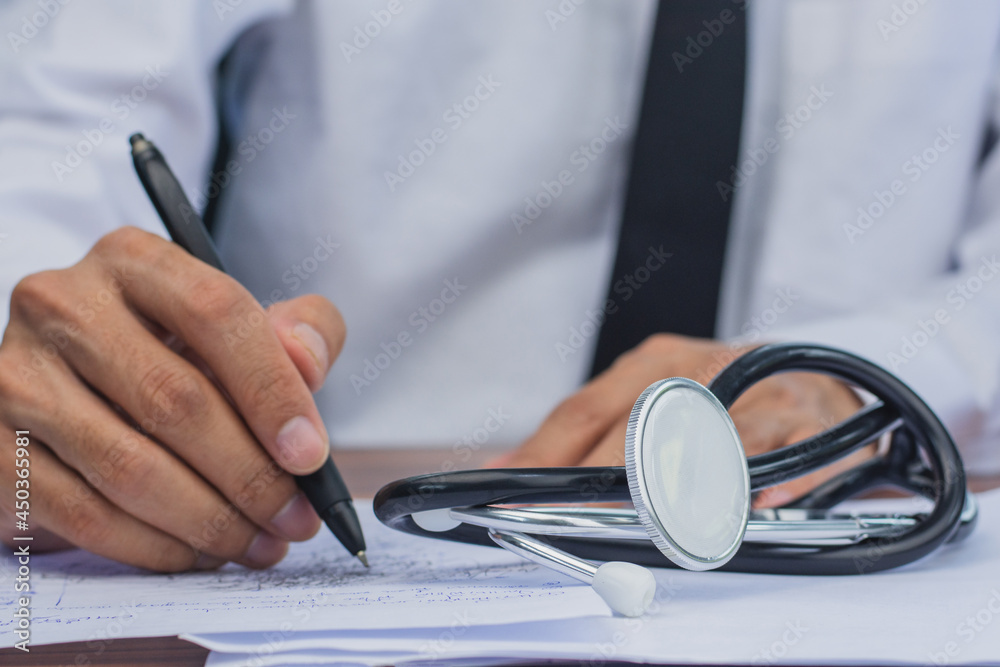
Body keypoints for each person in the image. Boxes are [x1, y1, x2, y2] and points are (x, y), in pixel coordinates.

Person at [1, 0, 999, 572]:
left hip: (830, 515)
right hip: (321, 507)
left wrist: (876, 372)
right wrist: (59, 367)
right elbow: (52, 118)